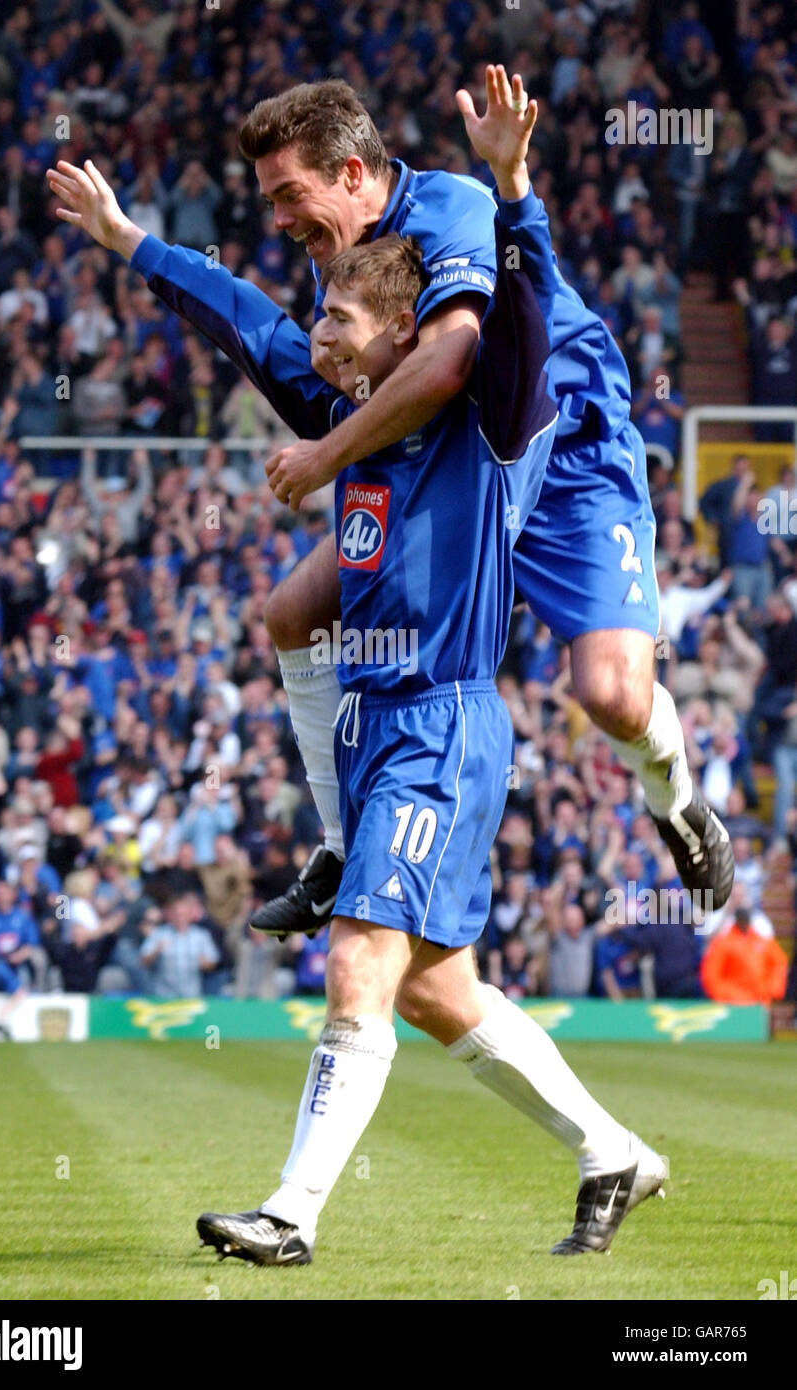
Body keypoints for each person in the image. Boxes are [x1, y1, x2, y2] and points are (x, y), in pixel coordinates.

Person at [46, 63, 666, 1265]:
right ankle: (611, 1153)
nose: (313, 329)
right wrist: (130, 243)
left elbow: (518, 310)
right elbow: (242, 316)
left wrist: (509, 179)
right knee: (436, 992)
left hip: (438, 727)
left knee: (359, 961)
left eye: (336, 315)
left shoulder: (480, 410)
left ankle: (292, 1213)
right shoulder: (349, 388)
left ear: (398, 327)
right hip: (372, 731)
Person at [198, 75, 731, 939]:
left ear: (351, 173)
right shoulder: (348, 257)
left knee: (611, 696)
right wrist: (132, 244)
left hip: (560, 455)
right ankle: (339, 846)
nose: (278, 220)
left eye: (288, 194)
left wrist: (329, 454)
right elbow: (308, 353)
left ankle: (678, 801)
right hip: (461, 470)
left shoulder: (448, 206)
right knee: (292, 611)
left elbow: (451, 362)